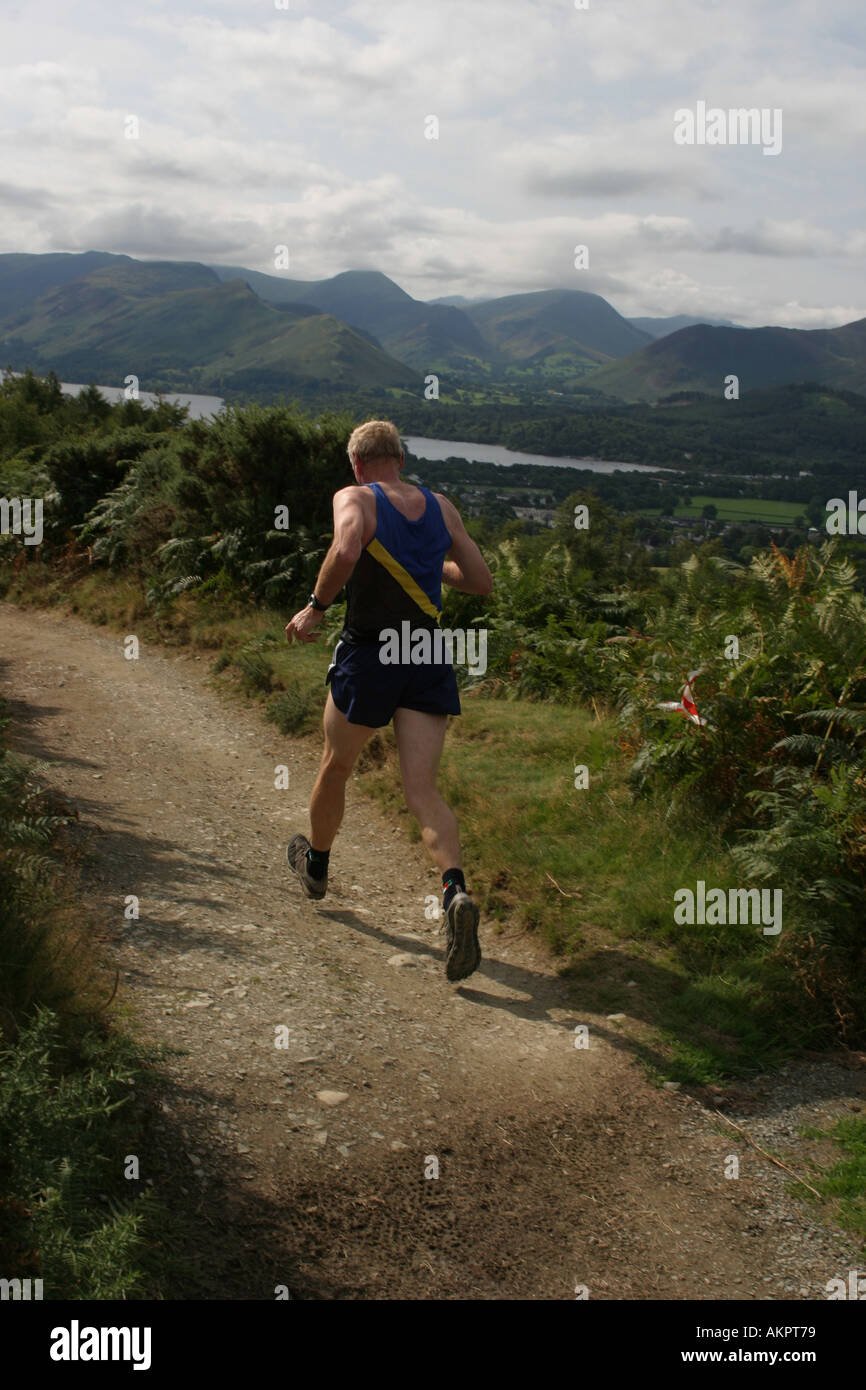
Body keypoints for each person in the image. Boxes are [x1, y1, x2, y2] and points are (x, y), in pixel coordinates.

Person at [284, 419, 493, 981]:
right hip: (425, 652)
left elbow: (347, 549)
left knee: (337, 765)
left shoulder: (355, 497)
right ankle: (454, 893)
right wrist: (432, 569)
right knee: (422, 789)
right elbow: (479, 580)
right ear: (400, 457)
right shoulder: (440, 505)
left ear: (357, 463)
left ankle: (317, 867)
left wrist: (315, 606)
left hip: (371, 653)